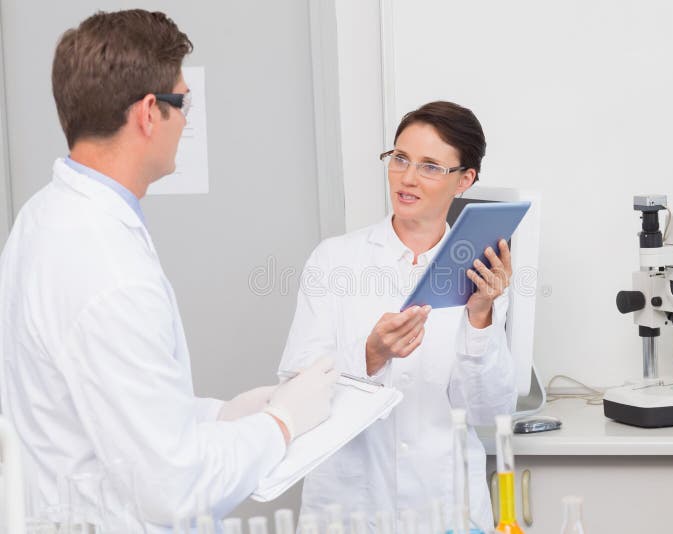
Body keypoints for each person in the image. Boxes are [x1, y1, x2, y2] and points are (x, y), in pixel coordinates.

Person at [0, 9, 338, 530]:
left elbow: (119, 414)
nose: (187, 122)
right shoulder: (104, 264)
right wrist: (281, 424)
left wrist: (222, 415)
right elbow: (174, 487)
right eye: (184, 103)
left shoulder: (46, 215)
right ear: (149, 113)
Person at [280, 101, 517, 529]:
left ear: (465, 180)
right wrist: (369, 356)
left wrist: (481, 317)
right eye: (400, 158)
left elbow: (489, 412)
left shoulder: (483, 275)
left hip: (444, 505)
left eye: (430, 166)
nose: (407, 178)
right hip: (351, 506)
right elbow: (296, 390)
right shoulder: (335, 260)